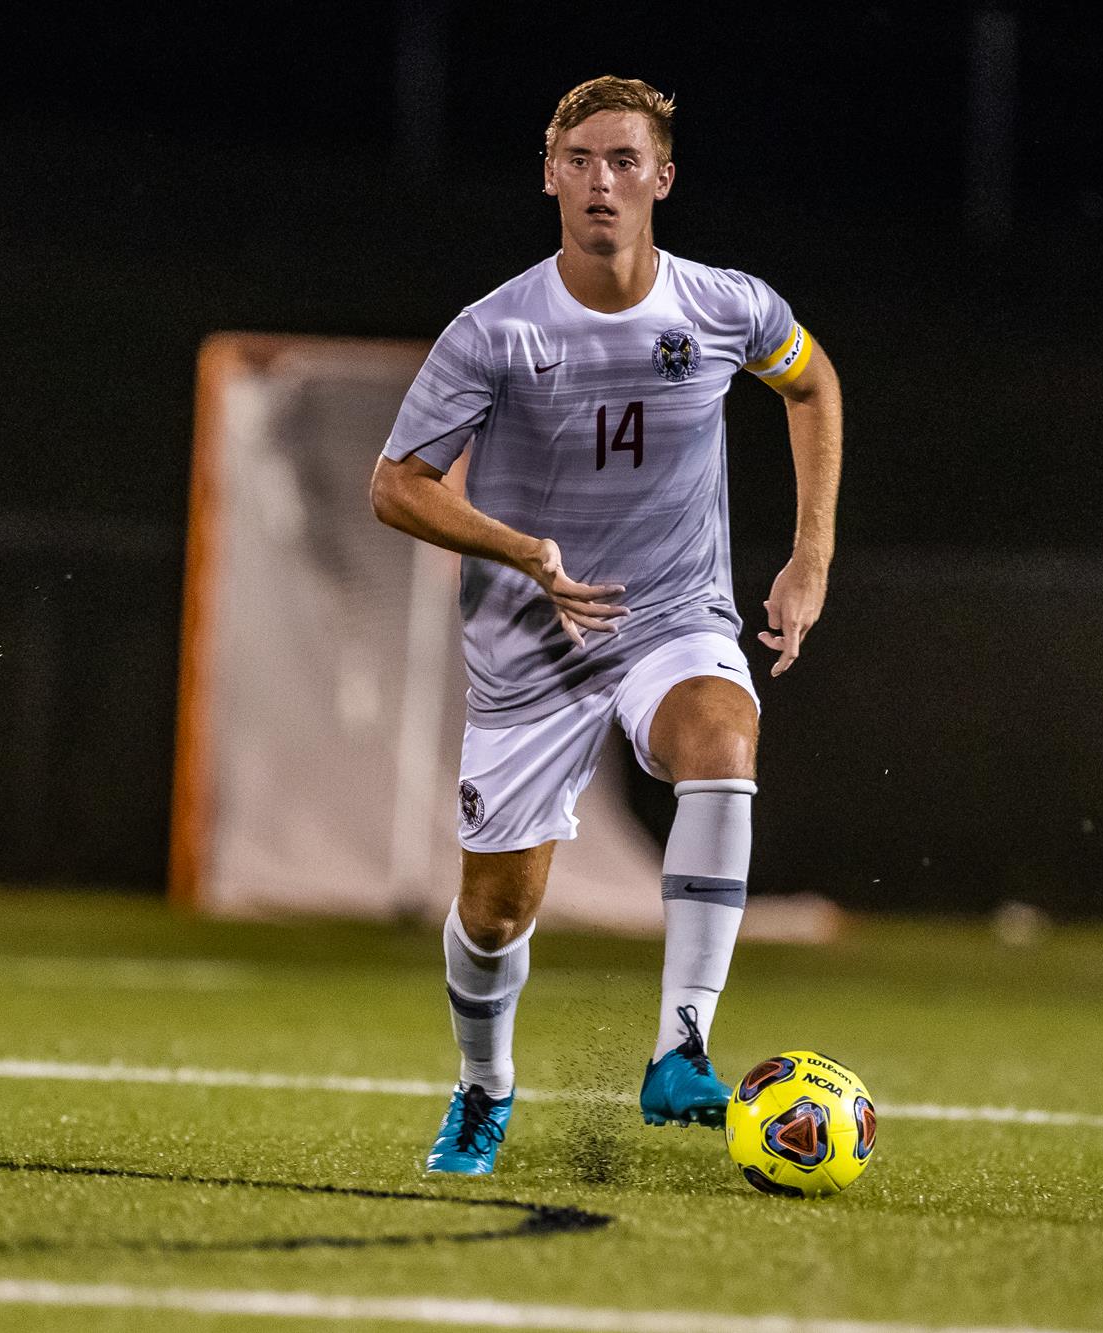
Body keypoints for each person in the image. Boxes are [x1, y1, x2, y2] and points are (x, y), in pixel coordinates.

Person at [369, 75, 842, 1175]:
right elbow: (395, 485)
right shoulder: (494, 330)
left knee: (724, 736)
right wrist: (521, 550)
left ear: (661, 180)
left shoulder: (726, 307)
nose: (600, 181)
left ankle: (681, 1045)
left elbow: (810, 386)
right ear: (547, 175)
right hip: (530, 646)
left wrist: (808, 557)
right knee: (494, 913)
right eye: (579, 159)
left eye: (624, 160)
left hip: (671, 616)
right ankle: (484, 1086)